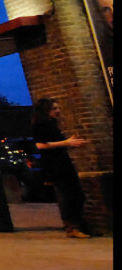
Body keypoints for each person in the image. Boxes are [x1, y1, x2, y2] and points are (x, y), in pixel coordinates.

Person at [31, 98, 92, 238]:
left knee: (76, 194)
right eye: (54, 109)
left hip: (61, 162)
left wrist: (69, 143)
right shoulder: (40, 125)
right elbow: (40, 145)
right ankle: (71, 227)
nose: (58, 111)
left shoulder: (51, 123)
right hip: (55, 165)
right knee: (69, 195)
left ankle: (77, 225)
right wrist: (67, 142)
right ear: (46, 110)